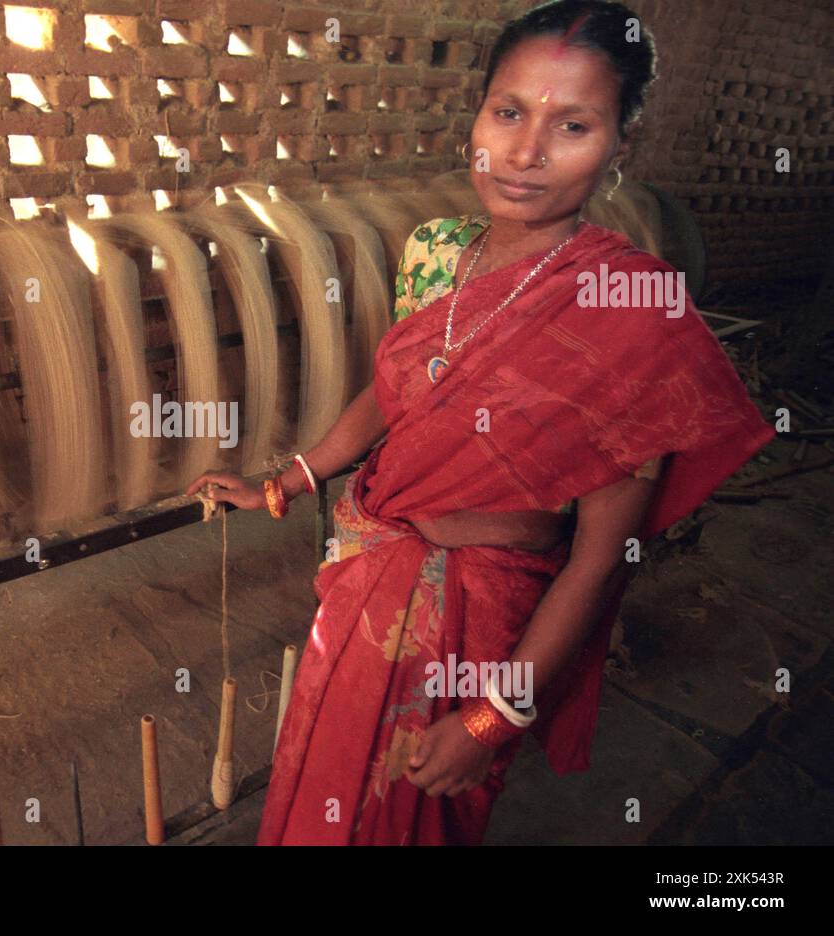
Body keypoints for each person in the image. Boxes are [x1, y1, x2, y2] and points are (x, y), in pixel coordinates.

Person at [185, 0, 776, 845]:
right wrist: (289, 478)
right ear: (477, 116)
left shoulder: (629, 313)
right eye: (508, 112)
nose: (525, 152)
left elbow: (601, 560)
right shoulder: (435, 252)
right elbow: (395, 393)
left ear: (620, 145)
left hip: (477, 629)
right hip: (368, 567)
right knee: (320, 782)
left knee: (410, 820)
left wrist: (493, 719)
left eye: (572, 124)